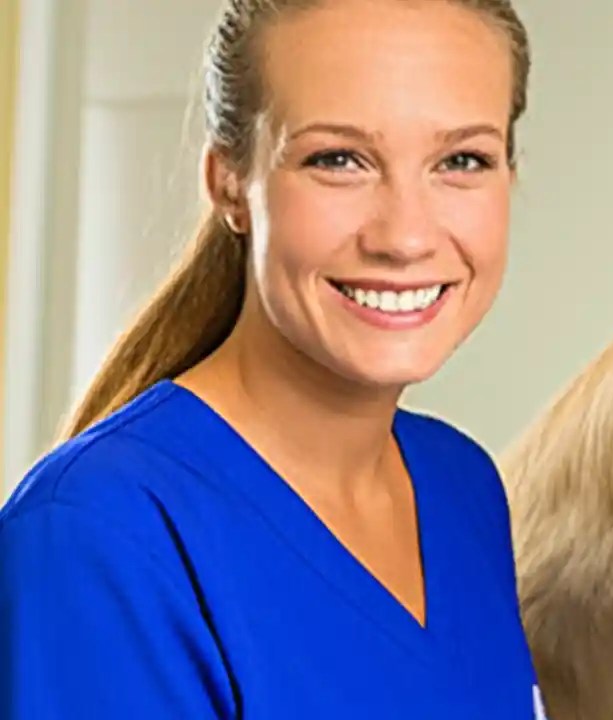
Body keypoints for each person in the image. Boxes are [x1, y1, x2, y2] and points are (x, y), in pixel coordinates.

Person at [0, 0, 547, 717]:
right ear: (230, 182)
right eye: (339, 160)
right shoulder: (96, 534)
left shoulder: (462, 488)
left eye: (461, 161)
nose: (405, 237)